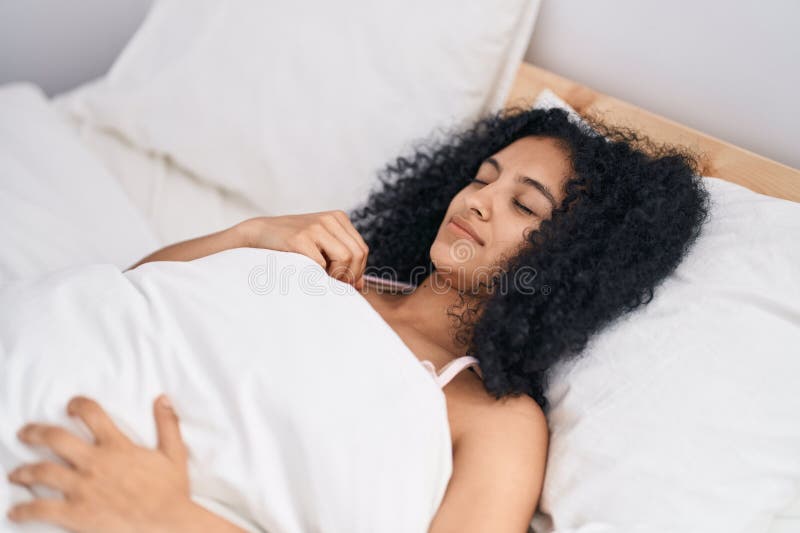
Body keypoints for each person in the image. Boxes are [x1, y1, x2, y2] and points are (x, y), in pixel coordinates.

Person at [5, 107, 710, 532]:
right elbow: (140, 288)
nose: (481, 200)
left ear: (574, 259)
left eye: (525, 206)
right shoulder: (332, 266)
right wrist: (250, 235)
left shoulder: (495, 418)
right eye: (483, 176)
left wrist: (168, 516)